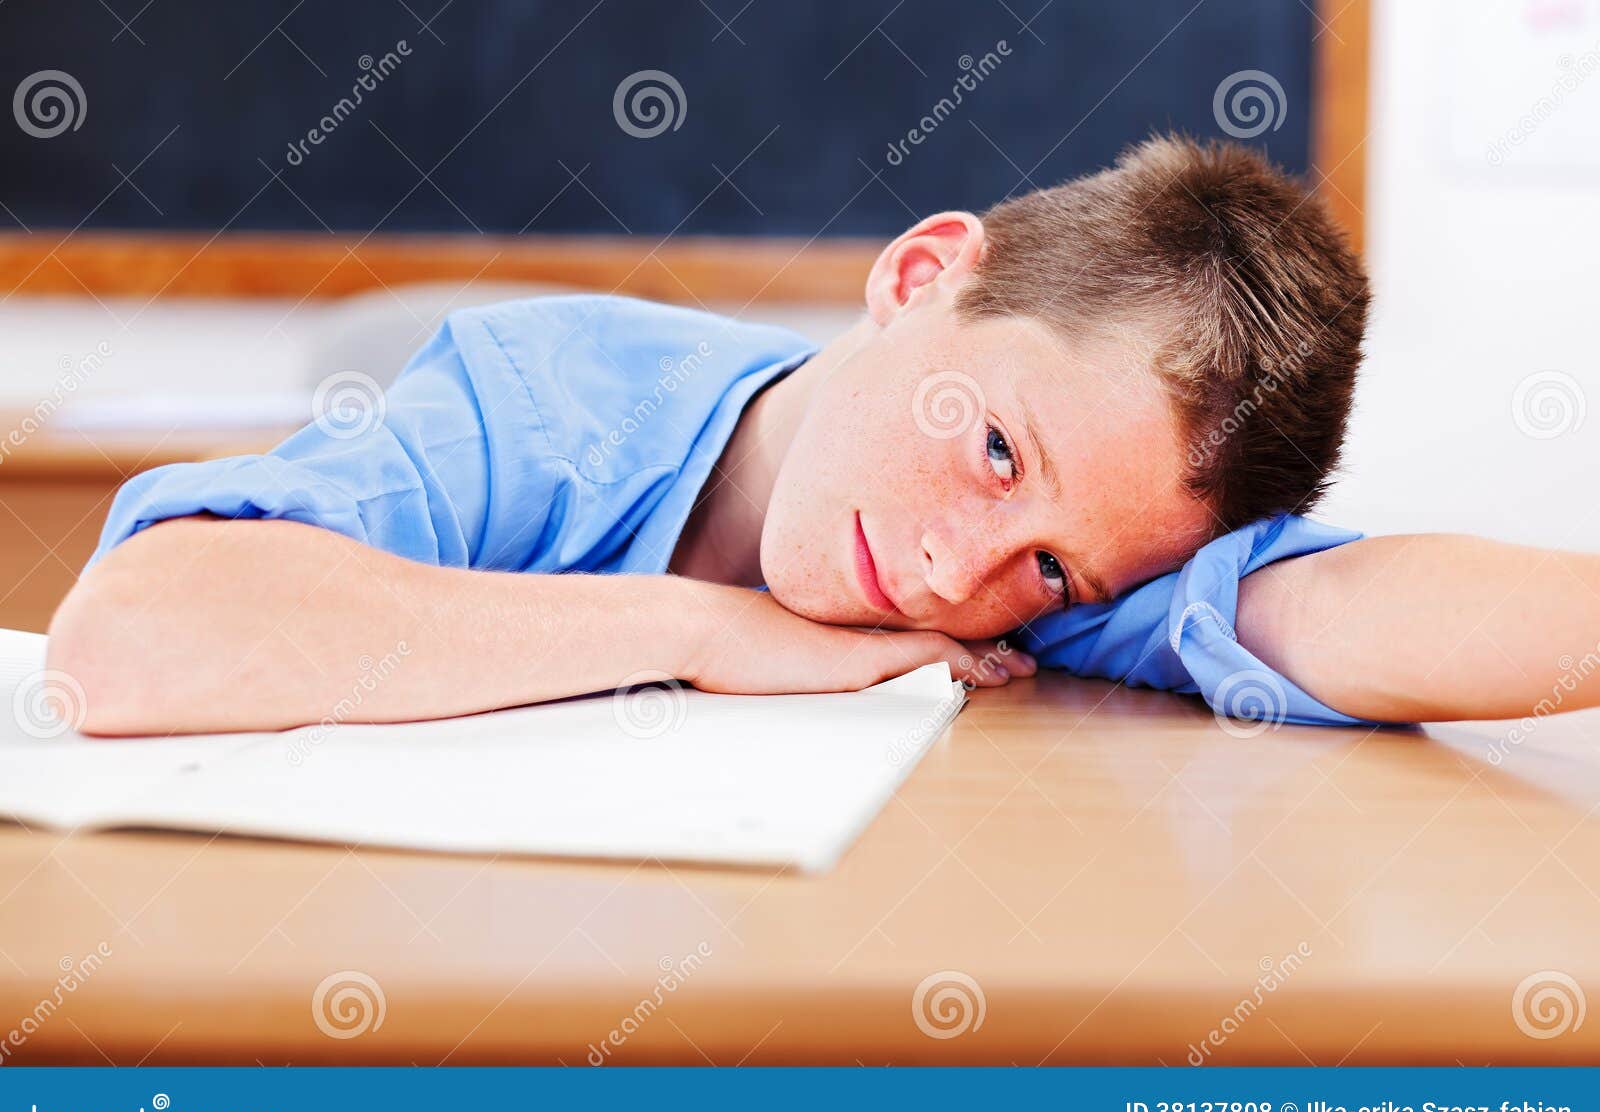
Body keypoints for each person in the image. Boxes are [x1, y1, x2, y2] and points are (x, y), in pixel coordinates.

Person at [47, 136, 1600, 735]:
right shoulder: (540, 405)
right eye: (994, 450)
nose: (951, 574)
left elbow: (1336, 607)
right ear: (924, 278)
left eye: (1052, 569)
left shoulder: (1056, 545)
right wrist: (703, 629)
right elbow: (130, 643)